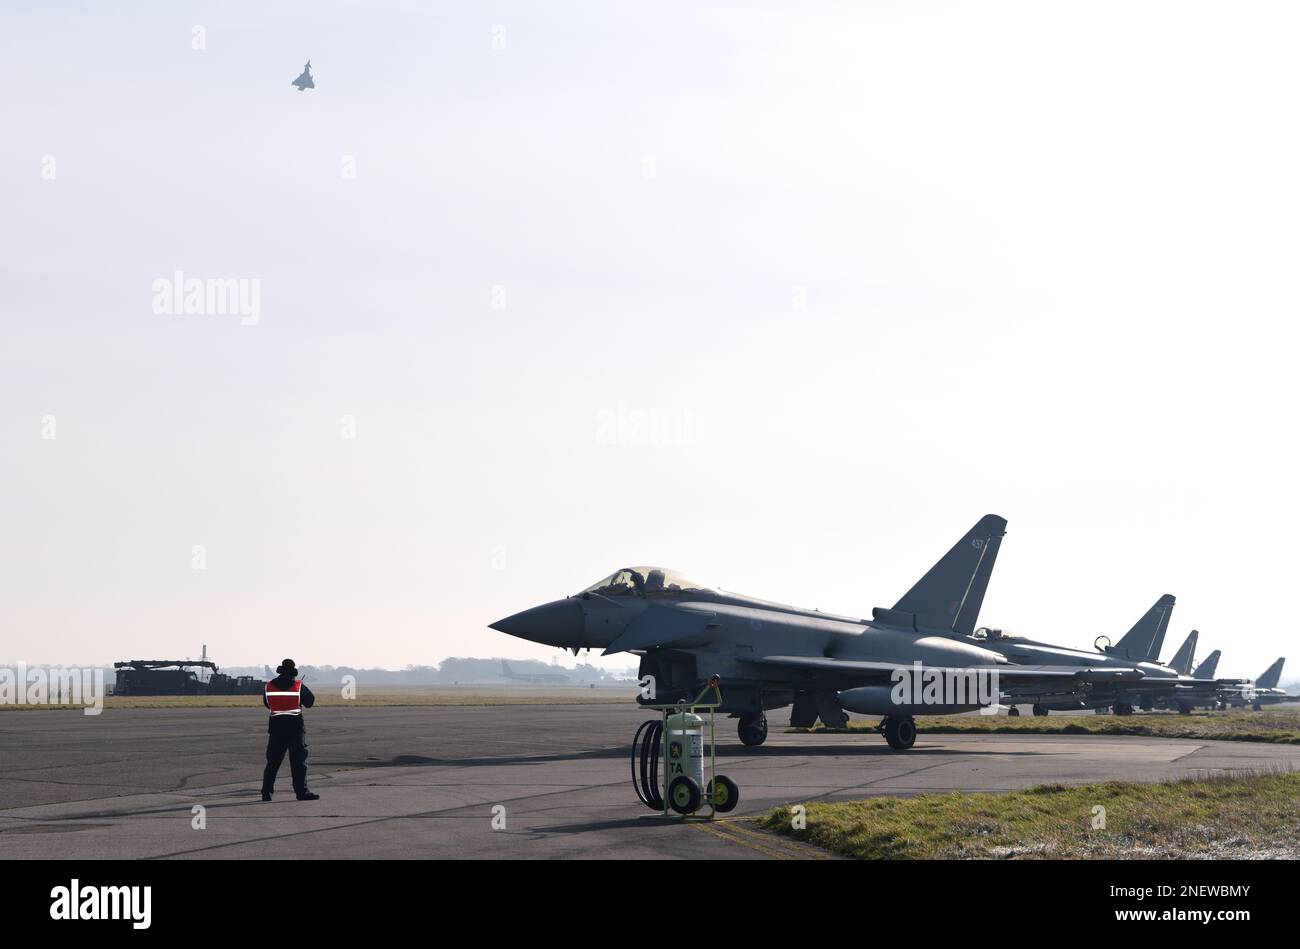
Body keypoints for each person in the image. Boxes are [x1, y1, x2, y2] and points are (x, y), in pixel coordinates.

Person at [260, 658, 319, 801]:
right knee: (298, 763)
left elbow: (267, 704)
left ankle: (266, 793)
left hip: (276, 729)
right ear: (293, 672)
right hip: (295, 729)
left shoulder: (269, 686)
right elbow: (310, 702)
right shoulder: (298, 686)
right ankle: (301, 792)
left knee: (272, 763)